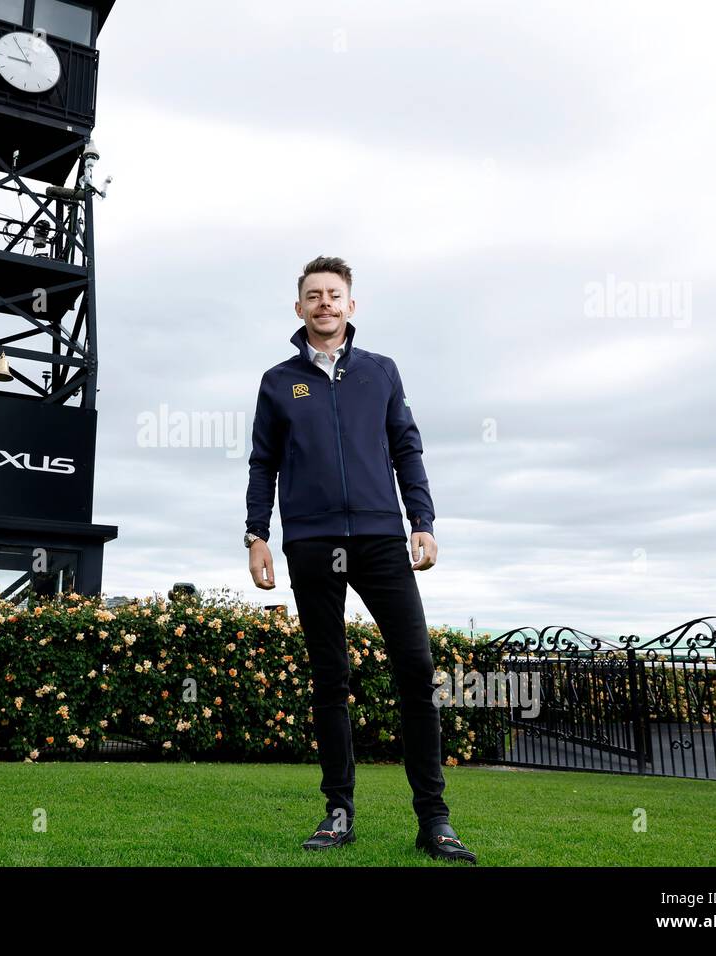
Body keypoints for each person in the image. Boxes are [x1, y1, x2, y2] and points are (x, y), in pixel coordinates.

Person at [243, 255, 476, 863]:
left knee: (416, 673)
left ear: (351, 305)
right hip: (312, 543)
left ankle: (435, 820)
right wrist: (255, 534)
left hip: (379, 539)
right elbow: (262, 462)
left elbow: (407, 447)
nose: (324, 303)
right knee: (330, 679)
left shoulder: (382, 372)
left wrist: (422, 521)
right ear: (299, 308)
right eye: (313, 295)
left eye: (334, 294)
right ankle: (338, 811)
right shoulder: (277, 381)